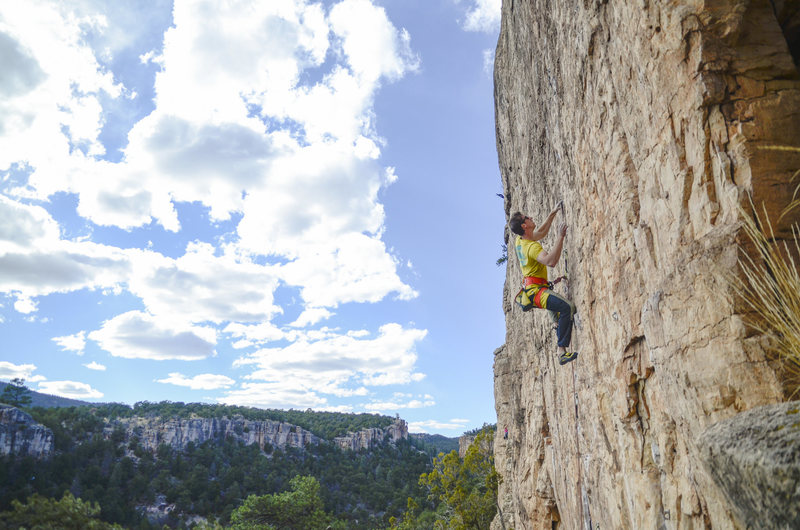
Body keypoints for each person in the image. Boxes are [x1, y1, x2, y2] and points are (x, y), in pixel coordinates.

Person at [509, 205, 578, 365]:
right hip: (537, 292)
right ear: (524, 226)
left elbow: (539, 233)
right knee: (568, 308)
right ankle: (561, 351)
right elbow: (551, 261)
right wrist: (560, 237)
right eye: (527, 218)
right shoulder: (531, 247)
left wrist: (552, 214)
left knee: (558, 315)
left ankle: (557, 325)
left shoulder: (520, 240)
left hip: (535, 288)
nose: (531, 217)